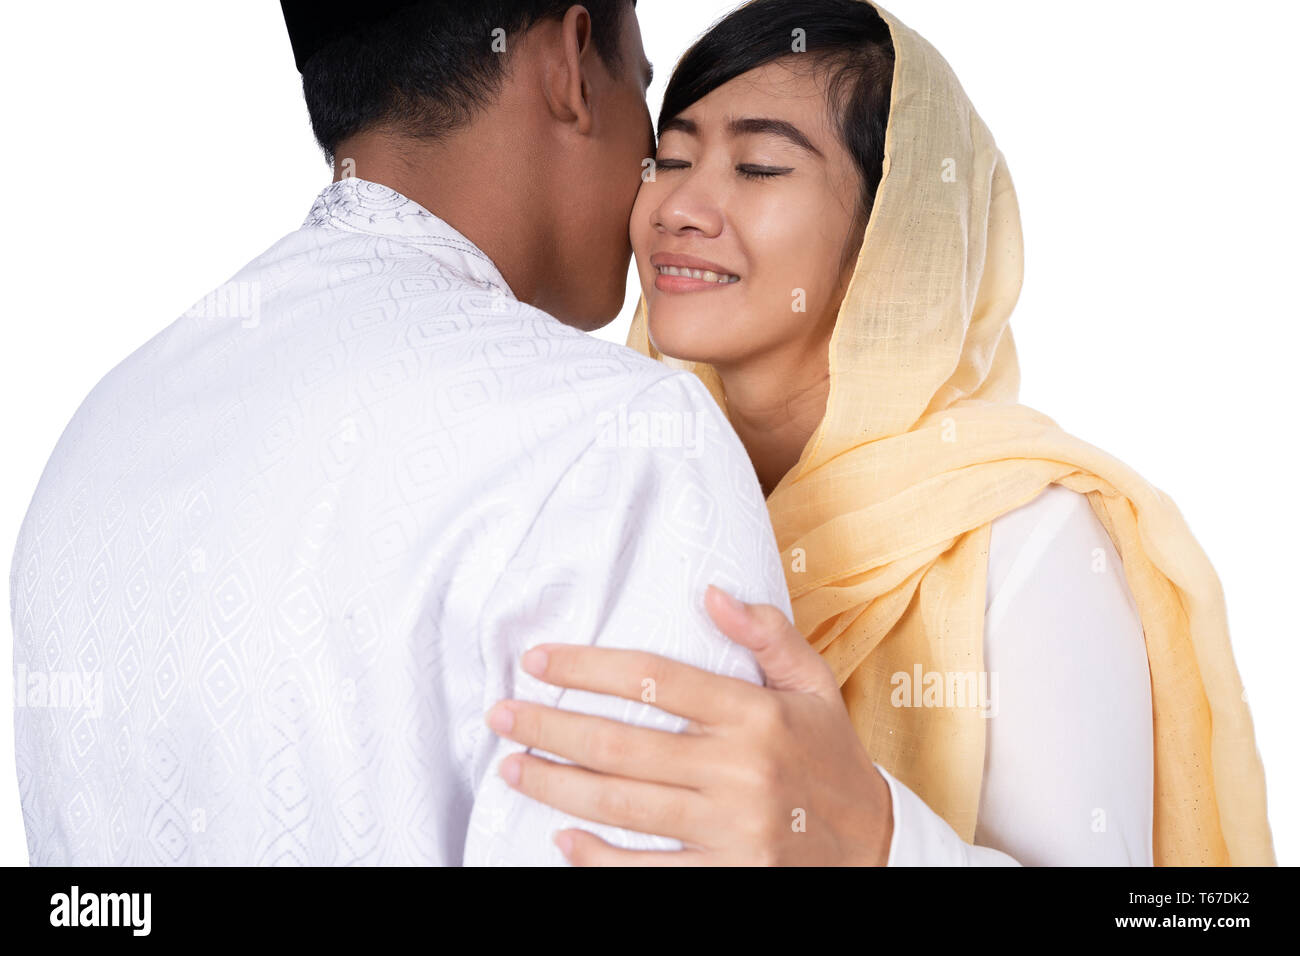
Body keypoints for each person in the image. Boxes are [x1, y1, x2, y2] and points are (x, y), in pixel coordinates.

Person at [482, 0, 1276, 866]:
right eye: (669, 159)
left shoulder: (1024, 541)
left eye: (758, 167)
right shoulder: (626, 494)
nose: (679, 206)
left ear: (892, 229)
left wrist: (870, 836)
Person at [9, 0, 797, 865]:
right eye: (644, 94)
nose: (664, 184)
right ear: (573, 67)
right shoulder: (624, 444)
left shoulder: (105, 427)